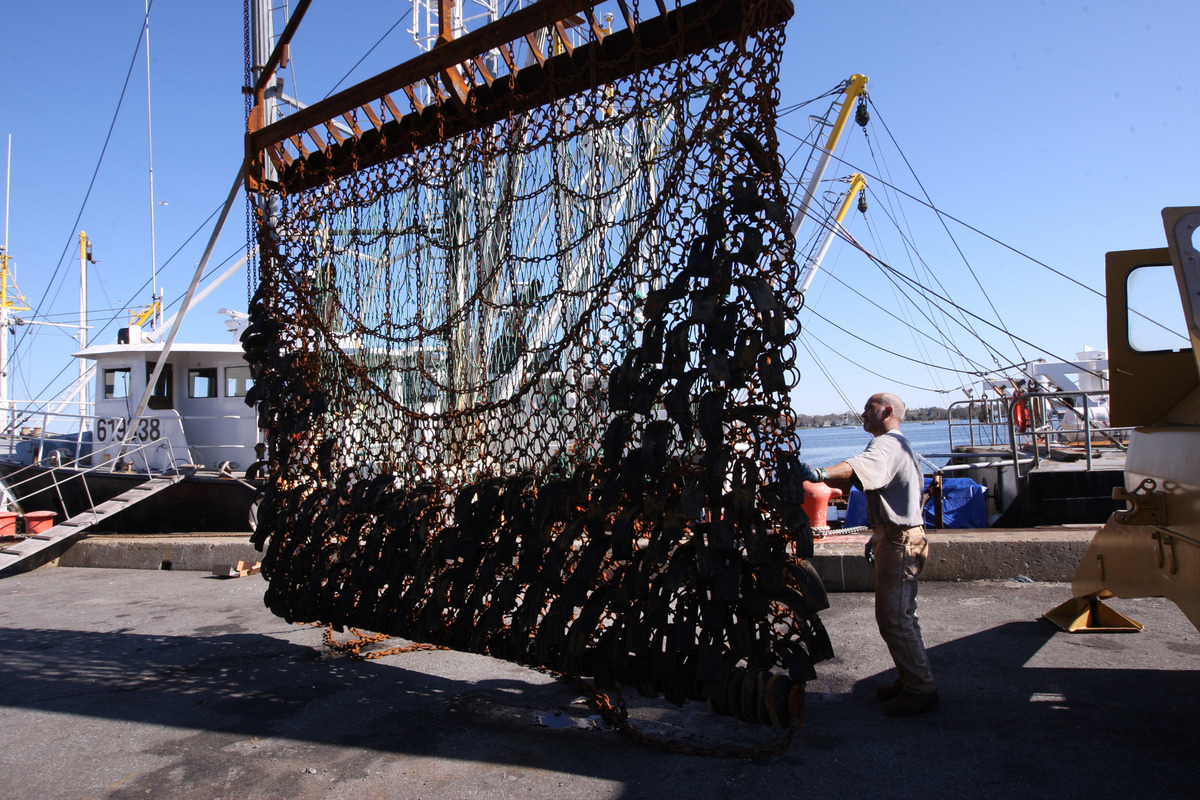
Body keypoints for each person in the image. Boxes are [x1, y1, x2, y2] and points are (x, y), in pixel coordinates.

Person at [800, 392, 939, 717]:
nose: (862, 414)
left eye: (869, 409)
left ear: (888, 411)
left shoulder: (887, 445)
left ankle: (921, 689)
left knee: (893, 618)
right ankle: (912, 677)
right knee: (903, 616)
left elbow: (855, 468)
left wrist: (818, 474)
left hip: (899, 540)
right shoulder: (897, 444)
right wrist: (877, 536)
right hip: (896, 536)